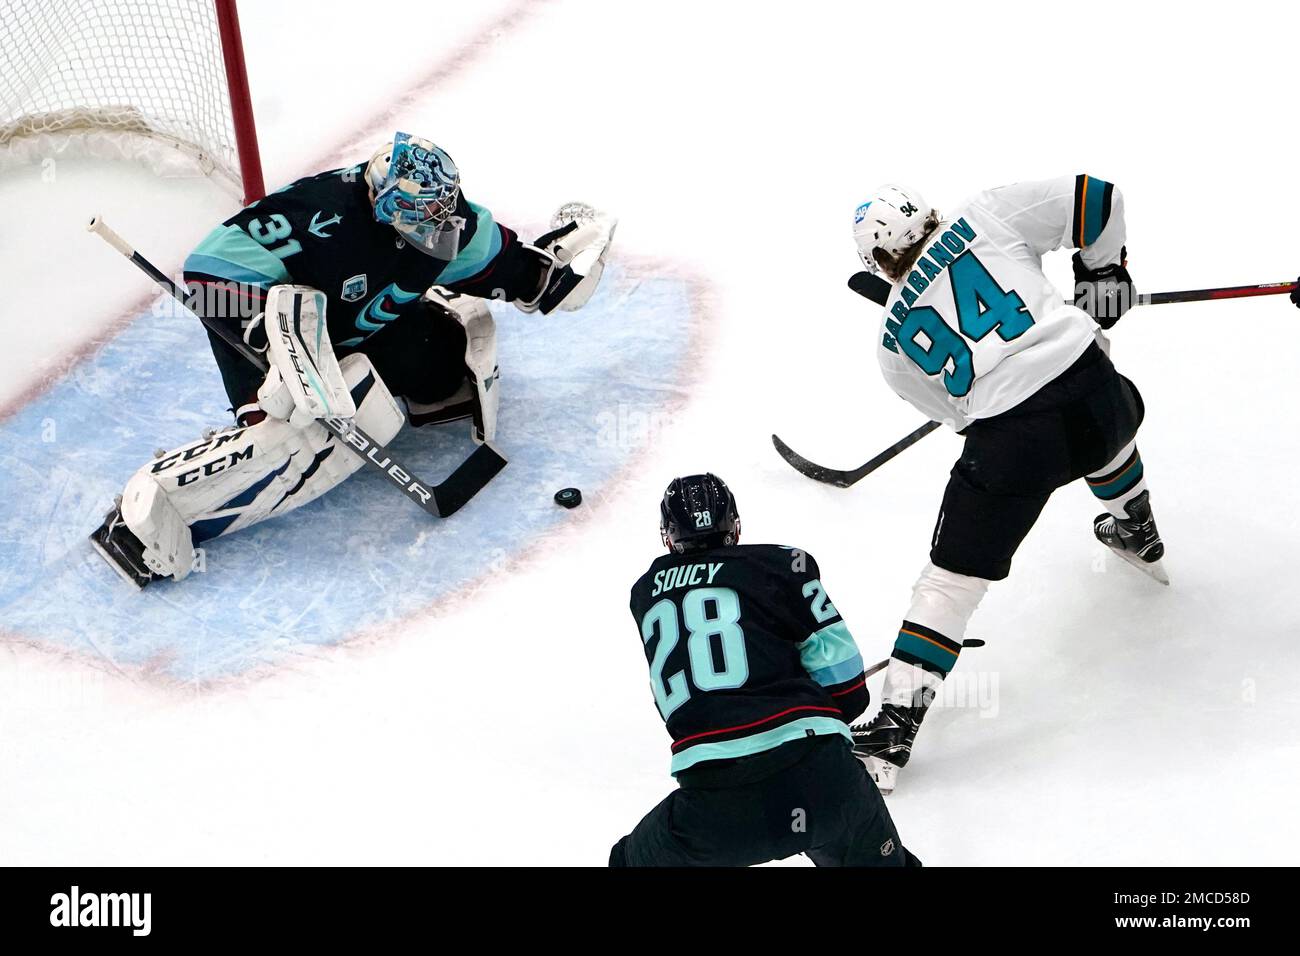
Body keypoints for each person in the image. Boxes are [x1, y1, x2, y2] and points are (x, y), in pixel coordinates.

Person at [90, 132, 613, 587]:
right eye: (424, 216)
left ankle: (361, 365)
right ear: (385, 204)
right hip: (280, 340)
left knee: (442, 377)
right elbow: (207, 274)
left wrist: (562, 271)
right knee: (291, 431)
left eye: (444, 210)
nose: (441, 226)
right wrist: (272, 342)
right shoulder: (314, 216)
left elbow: (532, 280)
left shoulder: (451, 223)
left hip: (372, 324)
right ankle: (149, 518)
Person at [848, 176, 1164, 793]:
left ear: (878, 264)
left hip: (1016, 445)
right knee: (1100, 425)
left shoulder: (891, 344)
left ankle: (891, 732)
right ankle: (1139, 531)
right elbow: (1098, 198)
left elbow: (961, 416)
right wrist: (1103, 277)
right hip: (1103, 394)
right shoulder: (986, 214)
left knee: (949, 583)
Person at [612, 474, 918, 867]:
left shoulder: (644, 593)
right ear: (735, 527)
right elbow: (848, 692)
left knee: (627, 861)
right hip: (822, 781)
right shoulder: (784, 564)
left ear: (667, 537)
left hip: (715, 810)